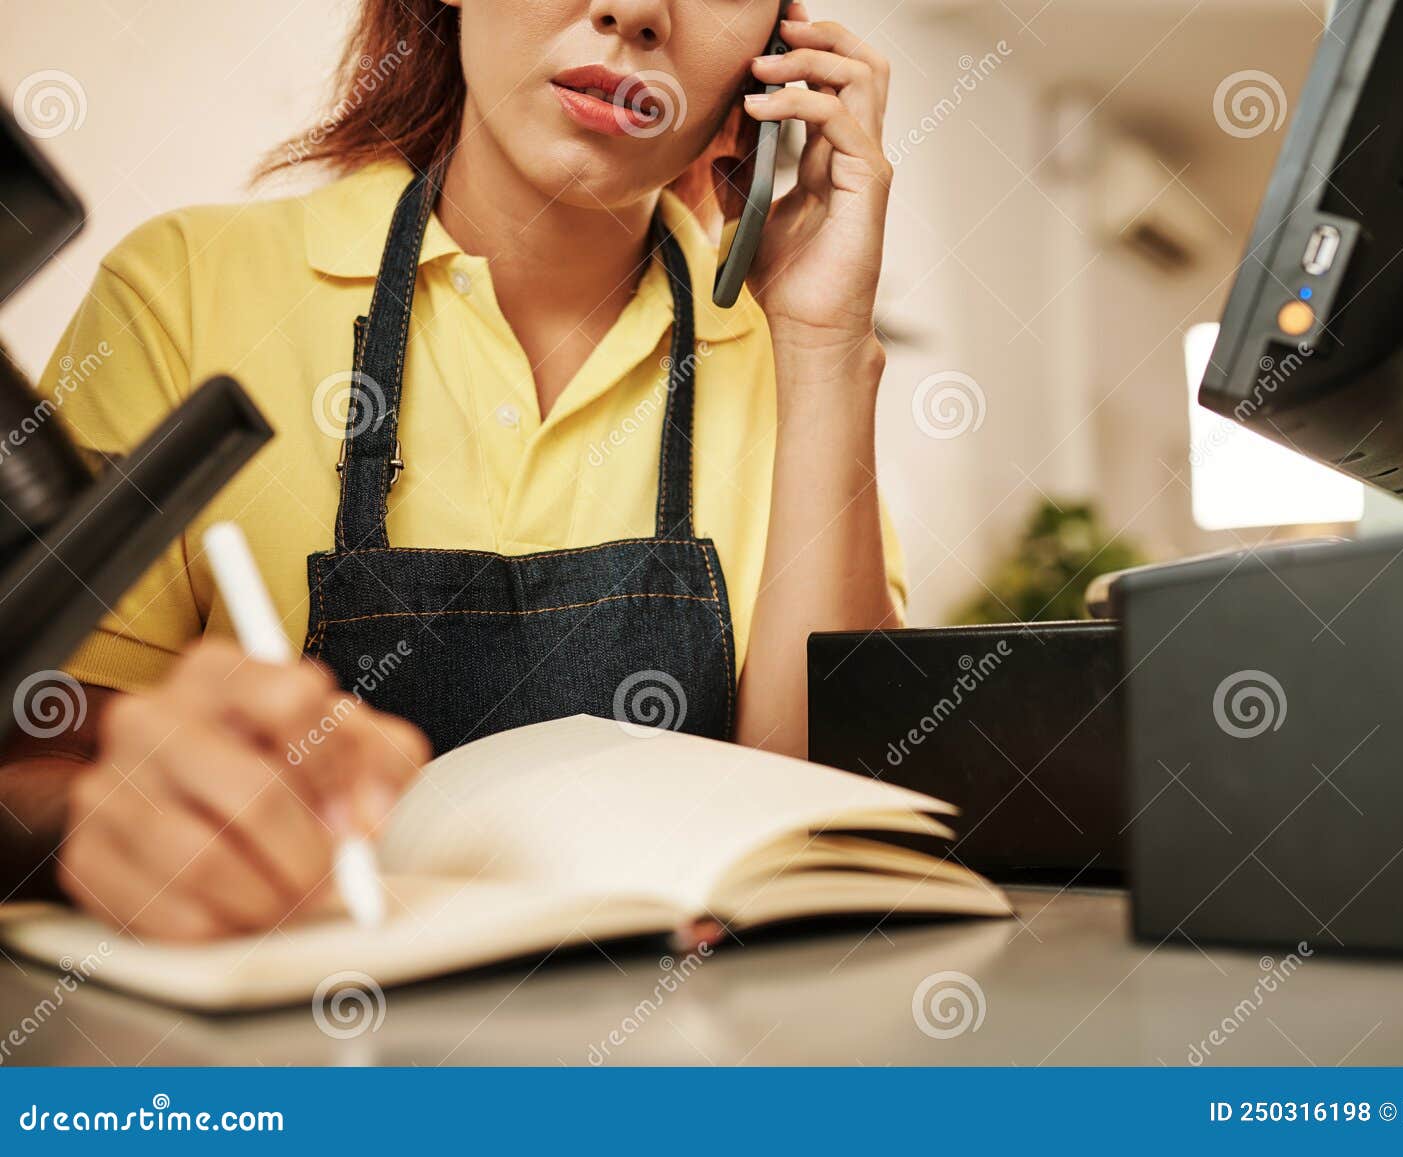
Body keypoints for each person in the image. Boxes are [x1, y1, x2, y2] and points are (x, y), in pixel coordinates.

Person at [0, 0, 904, 940]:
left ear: (775, 53)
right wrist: (98, 820)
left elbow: (825, 834)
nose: (634, 11)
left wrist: (825, 345)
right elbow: (32, 767)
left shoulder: (787, 359)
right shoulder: (183, 291)